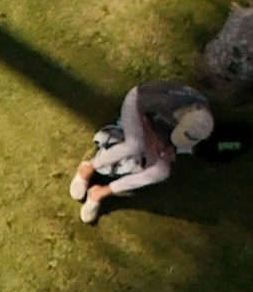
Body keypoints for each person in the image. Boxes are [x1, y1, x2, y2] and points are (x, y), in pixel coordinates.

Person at [71, 82, 214, 223]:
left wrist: (170, 149)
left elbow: (177, 141)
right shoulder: (167, 101)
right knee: (135, 145)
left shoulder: (202, 124)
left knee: (162, 171)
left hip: (158, 129)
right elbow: (142, 114)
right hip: (138, 106)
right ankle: (88, 168)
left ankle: (99, 193)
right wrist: (154, 141)